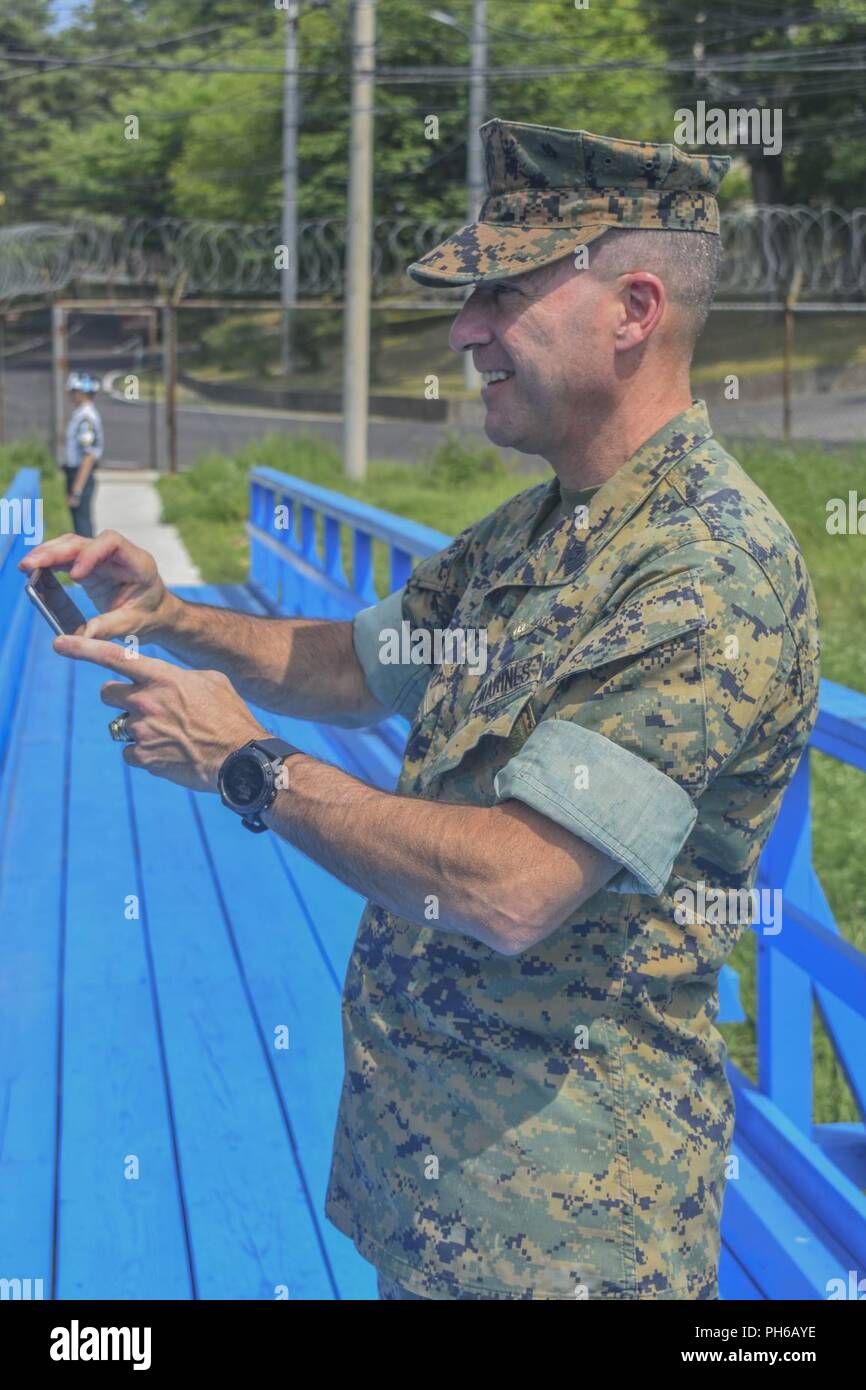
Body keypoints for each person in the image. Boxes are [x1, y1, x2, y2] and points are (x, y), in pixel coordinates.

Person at [20, 120, 820, 1301]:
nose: (463, 329)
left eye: (501, 291)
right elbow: (351, 664)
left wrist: (249, 767)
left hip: (569, 1240)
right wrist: (174, 612)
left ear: (634, 308)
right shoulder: (541, 526)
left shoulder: (705, 570)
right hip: (442, 1204)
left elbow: (511, 887)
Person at [64, 371, 104, 538]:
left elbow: (88, 456)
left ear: (81, 392)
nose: (72, 395)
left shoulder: (86, 418)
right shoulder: (82, 414)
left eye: (73, 391)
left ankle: (89, 563)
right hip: (78, 475)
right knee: (80, 525)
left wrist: (77, 490)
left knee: (83, 529)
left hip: (80, 476)